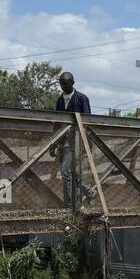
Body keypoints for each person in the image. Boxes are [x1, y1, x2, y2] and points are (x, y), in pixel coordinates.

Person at [53, 72, 91, 206]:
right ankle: (88, 190)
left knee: (65, 171)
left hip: (76, 142)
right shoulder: (59, 100)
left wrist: (88, 146)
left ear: (72, 83)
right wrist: (53, 144)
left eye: (65, 83)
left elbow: (87, 123)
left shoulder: (81, 99)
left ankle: (68, 205)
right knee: (71, 171)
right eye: (61, 83)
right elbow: (57, 123)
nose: (63, 86)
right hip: (63, 142)